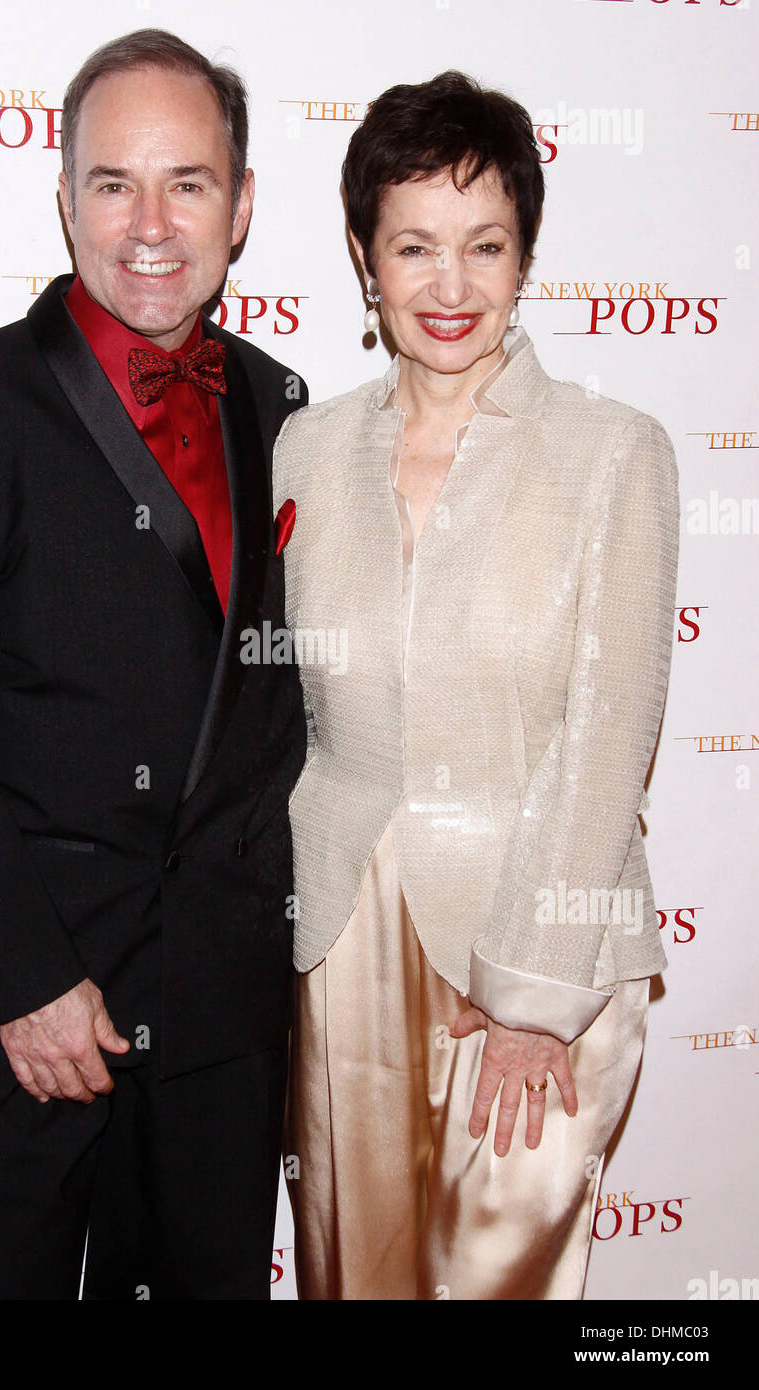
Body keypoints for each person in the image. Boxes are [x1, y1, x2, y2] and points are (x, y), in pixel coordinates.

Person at [0, 28, 307, 1300]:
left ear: (243, 204)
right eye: (115, 183)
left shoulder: (290, 414)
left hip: (218, 1036)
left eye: (190, 183)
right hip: (12, 1030)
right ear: (64, 202)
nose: (150, 223)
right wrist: (27, 980)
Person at [274, 70, 678, 1300]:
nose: (451, 287)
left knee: (495, 1283)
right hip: (345, 931)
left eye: (485, 245)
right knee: (357, 1271)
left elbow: (611, 733)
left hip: (536, 918)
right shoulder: (302, 444)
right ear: (363, 257)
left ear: (525, 254)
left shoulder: (616, 454)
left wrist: (531, 1003)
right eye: (415, 248)